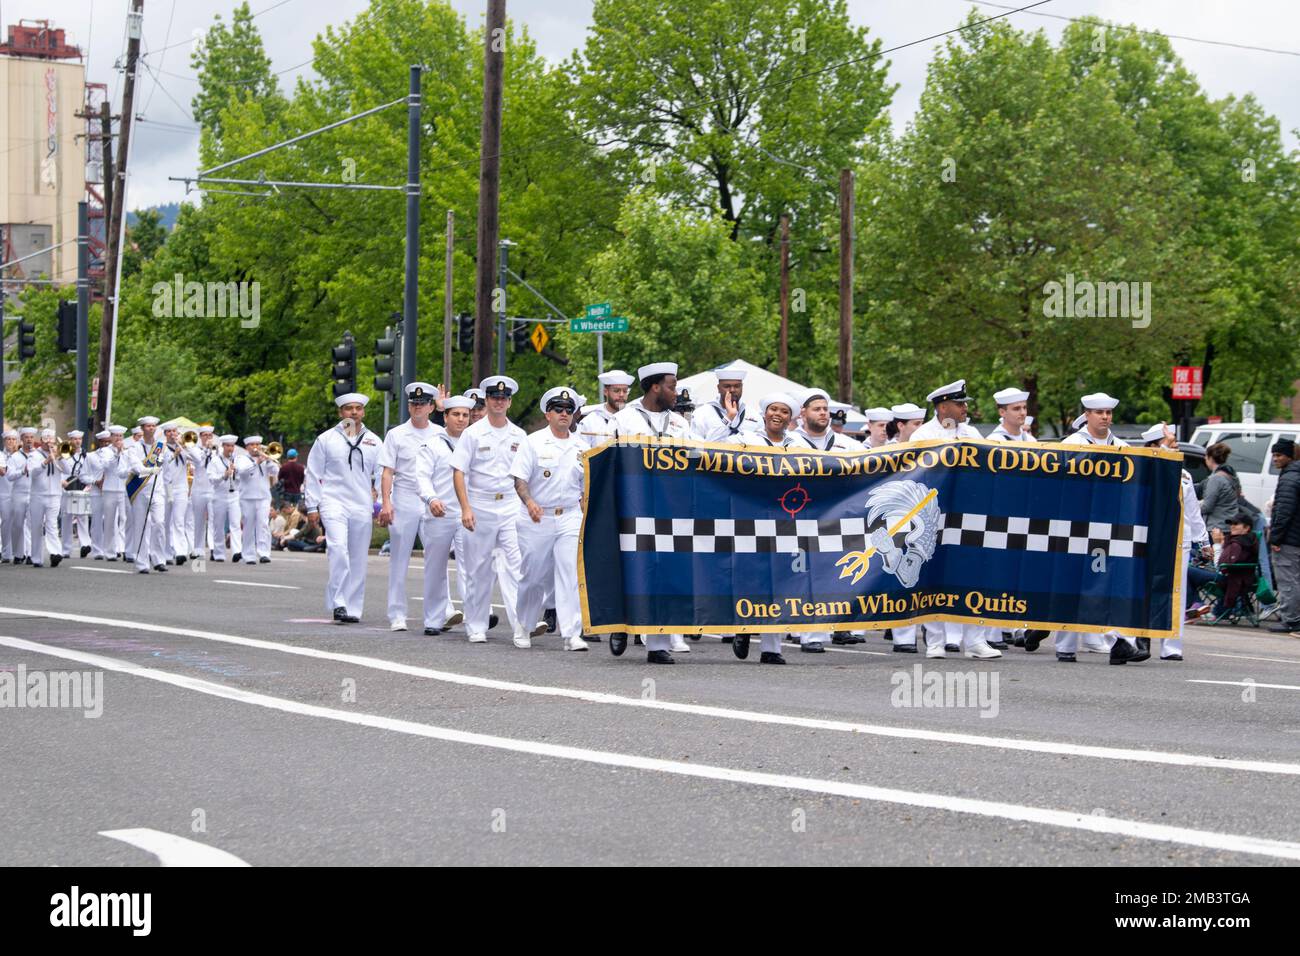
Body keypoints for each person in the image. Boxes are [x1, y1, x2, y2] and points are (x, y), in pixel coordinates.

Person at [1038, 393, 1148, 664]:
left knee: (1105, 583)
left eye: (1108, 413)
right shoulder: (1071, 444)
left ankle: (1118, 640)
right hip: (1075, 524)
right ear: (1086, 414)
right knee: (1072, 584)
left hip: (1109, 526)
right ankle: (1066, 644)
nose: (1105, 417)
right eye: (1099, 412)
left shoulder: (1122, 447)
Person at [908, 381, 1001, 660]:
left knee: (973, 575)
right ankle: (935, 642)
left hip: (967, 514)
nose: (965, 408)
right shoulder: (922, 435)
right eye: (960, 404)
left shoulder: (972, 433)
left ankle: (975, 641)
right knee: (933, 576)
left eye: (965, 403)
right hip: (933, 514)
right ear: (943, 406)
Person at [612, 362, 692, 663]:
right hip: (633, 507)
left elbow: (695, 465)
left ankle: (657, 643)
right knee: (632, 570)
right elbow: (605, 463)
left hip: (670, 509)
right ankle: (620, 622)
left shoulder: (681, 425)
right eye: (672, 385)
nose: (676, 391)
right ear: (655, 386)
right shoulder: (623, 420)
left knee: (663, 573)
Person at [726, 393, 807, 664]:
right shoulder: (743, 439)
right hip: (749, 517)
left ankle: (772, 648)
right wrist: (730, 421)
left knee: (779, 581)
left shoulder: (800, 444)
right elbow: (713, 455)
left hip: (785, 519)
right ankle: (744, 627)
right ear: (764, 413)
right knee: (749, 575)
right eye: (773, 409)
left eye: (784, 411)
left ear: (791, 417)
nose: (778, 414)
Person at [451, 375, 528, 646]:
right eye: (494, 397)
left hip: (510, 505)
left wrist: (527, 505)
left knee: (517, 567)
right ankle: (476, 624)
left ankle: (522, 626)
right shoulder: (472, 433)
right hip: (480, 504)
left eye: (504, 398)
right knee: (478, 569)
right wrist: (465, 508)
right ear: (486, 400)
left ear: (509, 401)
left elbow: (523, 475)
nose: (499, 401)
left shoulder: (519, 435)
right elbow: (459, 471)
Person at [511, 386, 589, 651]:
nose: (564, 414)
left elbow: (585, 484)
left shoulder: (582, 446)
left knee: (570, 573)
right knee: (533, 575)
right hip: (537, 516)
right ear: (548, 414)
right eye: (558, 409)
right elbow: (520, 479)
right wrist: (530, 502)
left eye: (569, 410)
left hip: (569, 515)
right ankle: (524, 624)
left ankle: (571, 633)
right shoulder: (532, 442)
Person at [304, 393, 381, 623]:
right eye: (349, 409)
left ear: (363, 412)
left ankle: (353, 607)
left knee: (358, 557)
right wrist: (311, 506)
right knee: (338, 548)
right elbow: (313, 473)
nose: (354, 412)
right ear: (341, 413)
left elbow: (383, 474)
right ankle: (339, 602)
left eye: (358, 408)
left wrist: (384, 504)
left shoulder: (374, 441)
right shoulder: (326, 439)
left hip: (361, 503)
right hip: (333, 501)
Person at [378, 382, 447, 632]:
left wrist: (444, 408)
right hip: (405, 497)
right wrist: (386, 503)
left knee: (437, 558)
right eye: (413, 404)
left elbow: (466, 435)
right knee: (399, 558)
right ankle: (397, 613)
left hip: (433, 500)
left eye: (422, 404)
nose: (417, 408)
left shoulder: (441, 432)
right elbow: (387, 472)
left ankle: (444, 611)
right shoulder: (396, 434)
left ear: (431, 407)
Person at [1141, 423, 1210, 660]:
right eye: (1171, 443)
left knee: (1176, 594)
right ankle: (1140, 638)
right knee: (1146, 590)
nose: (1176, 446)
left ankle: (1172, 646)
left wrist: (1204, 541)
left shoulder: (1184, 474)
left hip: (1180, 541)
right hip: (1151, 539)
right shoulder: (1146, 468)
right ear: (1154, 446)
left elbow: (1193, 512)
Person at [121, 416, 169, 573]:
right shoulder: (133, 448)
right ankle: (142, 563)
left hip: (158, 490)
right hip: (140, 491)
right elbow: (136, 468)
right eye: (148, 426)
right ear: (142, 429)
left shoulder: (161, 446)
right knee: (141, 526)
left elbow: (167, 466)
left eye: (154, 426)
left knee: (159, 523)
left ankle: (159, 559)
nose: (151, 428)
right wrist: (151, 470)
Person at [1266, 437, 1300, 637]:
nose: (1274, 459)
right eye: (1274, 455)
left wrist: (1275, 538)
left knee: (1288, 580)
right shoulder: (1295, 474)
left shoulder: (1289, 478)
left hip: (1288, 539)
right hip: (1296, 537)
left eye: (1278, 455)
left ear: (1289, 456)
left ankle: (1291, 619)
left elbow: (1284, 511)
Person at [21, 430, 65, 568]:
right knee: (37, 526)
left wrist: (61, 457)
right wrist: (46, 461)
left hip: (55, 495)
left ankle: (55, 553)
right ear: (42, 440)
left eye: (52, 439)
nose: (50, 442)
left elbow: (69, 470)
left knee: (52, 524)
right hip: (38, 496)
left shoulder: (59, 454)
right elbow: (33, 473)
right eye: (47, 440)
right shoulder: (34, 454)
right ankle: (36, 558)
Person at [236, 435, 278, 564]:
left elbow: (275, 471)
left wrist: (270, 460)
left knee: (263, 525)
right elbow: (242, 472)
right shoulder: (242, 458)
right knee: (248, 526)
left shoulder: (265, 458)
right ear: (247, 447)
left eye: (257, 445)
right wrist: (257, 462)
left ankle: (264, 553)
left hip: (264, 496)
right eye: (252, 445)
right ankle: (248, 555)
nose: (255, 447)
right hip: (247, 497)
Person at [691, 366, 760, 441]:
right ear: (718, 388)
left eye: (737, 386)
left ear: (742, 387)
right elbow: (698, 446)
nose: (732, 390)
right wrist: (728, 417)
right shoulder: (702, 413)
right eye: (727, 386)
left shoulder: (754, 415)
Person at [4, 428, 37, 564]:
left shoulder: (38, 456)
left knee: (31, 524)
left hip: (34, 494)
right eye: (26, 437)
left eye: (31, 437)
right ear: (21, 440)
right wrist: (22, 471)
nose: (29, 440)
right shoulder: (15, 457)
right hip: (18, 494)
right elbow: (10, 476)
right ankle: (18, 553)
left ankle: (30, 554)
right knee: (17, 525)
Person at [184, 426, 217, 560]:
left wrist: (213, 450)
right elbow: (200, 461)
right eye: (204, 435)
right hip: (199, 488)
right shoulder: (194, 449)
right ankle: (197, 549)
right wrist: (207, 450)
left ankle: (214, 548)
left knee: (214, 520)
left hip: (213, 488)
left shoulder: (217, 451)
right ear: (200, 437)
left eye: (210, 435)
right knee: (198, 521)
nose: (207, 438)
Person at [577, 369, 633, 448]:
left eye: (625, 391)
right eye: (616, 391)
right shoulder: (589, 422)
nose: (621, 395)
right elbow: (581, 453)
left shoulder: (635, 419)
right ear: (606, 392)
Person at [208, 435, 243, 561]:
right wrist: (224, 475)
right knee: (219, 525)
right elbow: (211, 479)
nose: (230, 448)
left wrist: (237, 472)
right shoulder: (215, 460)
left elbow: (242, 478)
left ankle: (237, 551)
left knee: (235, 524)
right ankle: (219, 553)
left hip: (234, 495)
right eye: (228, 446)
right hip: (219, 496)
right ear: (223, 446)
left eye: (232, 446)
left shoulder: (238, 460)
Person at [59, 430, 92, 558]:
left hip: (81, 483)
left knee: (82, 515)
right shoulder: (65, 451)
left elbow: (87, 469)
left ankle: (85, 544)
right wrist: (61, 481)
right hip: (67, 484)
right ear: (70, 440)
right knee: (67, 517)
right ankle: (66, 549)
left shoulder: (84, 454)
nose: (77, 442)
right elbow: (61, 467)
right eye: (75, 439)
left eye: (79, 439)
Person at [795, 389, 860, 453]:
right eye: (817, 409)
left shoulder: (850, 445)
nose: (823, 413)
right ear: (803, 414)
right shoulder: (790, 443)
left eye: (825, 409)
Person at [0, 430, 16, 562]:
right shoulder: (0, 455)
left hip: (19, 493)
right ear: (4, 442)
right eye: (8, 439)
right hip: (4, 493)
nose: (11, 442)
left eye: (13, 439)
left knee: (20, 524)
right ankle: (6, 552)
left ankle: (22, 552)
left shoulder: (20, 455)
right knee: (6, 523)